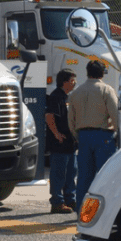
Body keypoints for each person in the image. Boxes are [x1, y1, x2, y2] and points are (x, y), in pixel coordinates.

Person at [68, 60, 119, 211]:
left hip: (83, 136)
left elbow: (70, 120)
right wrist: (118, 133)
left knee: (84, 177)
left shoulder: (76, 92)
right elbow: (115, 115)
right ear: (102, 73)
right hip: (103, 136)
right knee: (106, 176)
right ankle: (107, 211)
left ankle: (82, 211)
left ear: (87, 72)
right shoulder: (106, 90)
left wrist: (77, 136)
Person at [45, 68, 77, 214]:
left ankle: (70, 199)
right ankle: (57, 202)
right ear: (64, 82)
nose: (74, 83)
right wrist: (56, 133)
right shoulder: (56, 96)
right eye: (72, 80)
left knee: (71, 172)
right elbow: (49, 116)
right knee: (59, 173)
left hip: (70, 143)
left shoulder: (67, 97)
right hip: (59, 143)